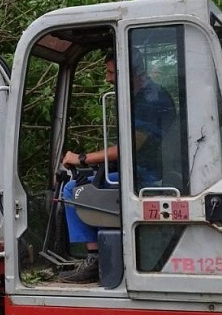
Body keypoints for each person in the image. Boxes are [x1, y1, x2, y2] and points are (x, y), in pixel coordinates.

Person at [57, 52, 176, 283]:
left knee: (73, 190)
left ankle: (94, 259)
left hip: (145, 177)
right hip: (144, 170)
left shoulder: (150, 100)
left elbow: (129, 147)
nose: (107, 79)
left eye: (111, 73)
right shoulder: (146, 96)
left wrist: (81, 158)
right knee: (90, 179)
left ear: (132, 73)